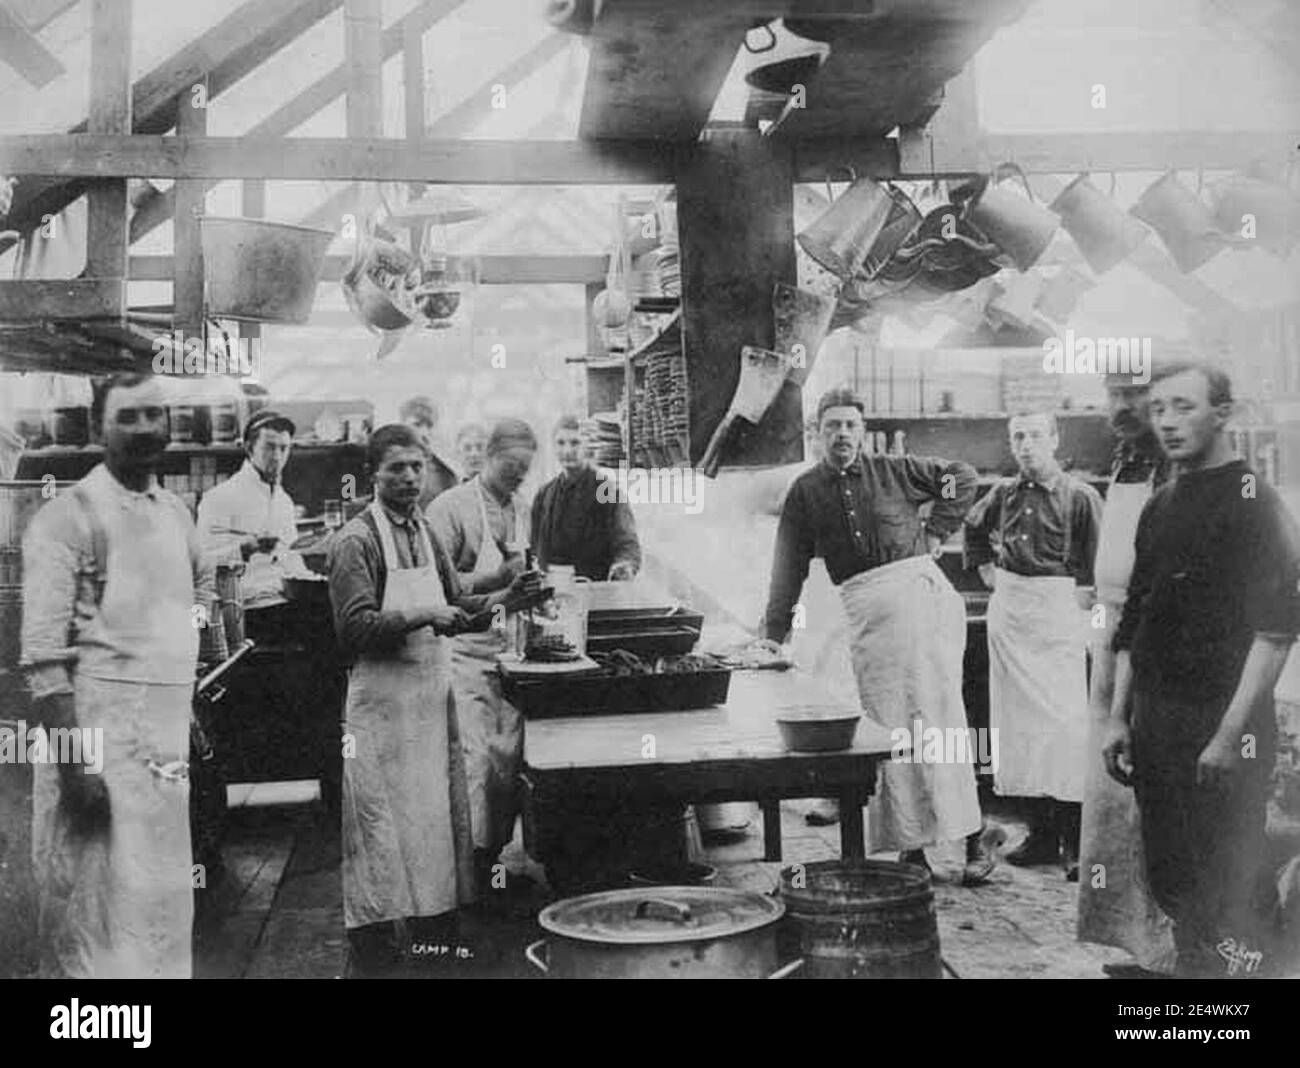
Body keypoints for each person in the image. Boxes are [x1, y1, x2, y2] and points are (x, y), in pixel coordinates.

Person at [1103, 361, 1300, 978]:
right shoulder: (1161, 504)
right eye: (1158, 408)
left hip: (1224, 721)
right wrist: (1118, 718)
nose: (1166, 421)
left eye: (1183, 406)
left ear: (1224, 412)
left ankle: (1236, 992)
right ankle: (1192, 983)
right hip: (1156, 719)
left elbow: (1275, 633)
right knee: (1173, 869)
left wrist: (1225, 737)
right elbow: (1134, 621)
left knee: (1228, 879)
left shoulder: (1256, 502)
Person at [327, 424, 543, 975]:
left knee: (431, 825)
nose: (408, 478)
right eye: (396, 467)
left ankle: (431, 932)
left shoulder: (423, 529)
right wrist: (422, 615)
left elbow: (461, 605)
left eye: (417, 467)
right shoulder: (357, 540)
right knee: (376, 827)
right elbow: (353, 629)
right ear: (373, 472)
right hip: (380, 709)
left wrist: (508, 598)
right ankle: (373, 945)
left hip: (427, 700)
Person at [21, 373, 214, 979]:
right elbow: (44, 662)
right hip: (97, 747)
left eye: (154, 415)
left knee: (160, 906)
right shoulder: (67, 517)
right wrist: (78, 768)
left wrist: (187, 705)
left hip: (164, 748)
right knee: (99, 913)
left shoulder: (176, 512)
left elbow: (193, 602)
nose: (145, 429)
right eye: (128, 417)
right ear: (98, 426)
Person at [763, 387, 996, 885]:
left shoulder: (896, 470)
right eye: (832, 426)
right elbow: (788, 566)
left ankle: (972, 839)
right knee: (891, 732)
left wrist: (937, 531)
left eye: (850, 425)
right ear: (816, 433)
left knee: (941, 720)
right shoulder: (805, 493)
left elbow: (962, 476)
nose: (842, 434)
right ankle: (913, 848)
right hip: (869, 620)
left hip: (921, 607)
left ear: (862, 431)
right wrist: (774, 633)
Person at [964, 411, 1102, 881]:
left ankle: (1077, 844)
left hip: (1058, 617)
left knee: (1066, 731)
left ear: (1055, 440)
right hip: (1013, 615)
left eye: (1036, 436)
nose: (1026, 445)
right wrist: (985, 570)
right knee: (1022, 735)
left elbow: (1099, 567)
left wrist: (1083, 609)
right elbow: (973, 530)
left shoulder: (1081, 496)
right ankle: (1041, 837)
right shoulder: (1002, 494)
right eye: (1018, 436)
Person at [1077, 370, 1176, 976]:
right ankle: (1136, 942)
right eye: (1111, 394)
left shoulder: (1175, 468)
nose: (1118, 406)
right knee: (1116, 802)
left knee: (1153, 797)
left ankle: (1169, 952)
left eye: (1130, 395)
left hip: (1152, 640)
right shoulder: (1128, 459)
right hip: (1111, 637)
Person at [426, 418, 537, 892]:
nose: (517, 477)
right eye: (511, 467)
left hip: (509, 655)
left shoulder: (523, 508)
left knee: (507, 770)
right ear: (488, 457)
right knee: (475, 770)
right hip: (462, 656)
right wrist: (499, 582)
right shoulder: (449, 509)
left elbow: (526, 574)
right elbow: (436, 587)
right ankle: (465, 885)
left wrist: (534, 590)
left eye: (525, 470)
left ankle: (492, 874)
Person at [196, 408, 299, 598]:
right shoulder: (219, 498)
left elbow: (290, 557)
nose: (277, 457)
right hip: (244, 609)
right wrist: (245, 548)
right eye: (269, 447)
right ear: (249, 448)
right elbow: (202, 566)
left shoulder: (284, 501)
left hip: (283, 603)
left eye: (283, 448)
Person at [530, 414, 640, 581]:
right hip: (554, 595)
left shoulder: (607, 491)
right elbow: (534, 548)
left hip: (595, 592)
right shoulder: (544, 495)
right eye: (561, 443)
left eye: (575, 443)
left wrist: (624, 565)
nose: (567, 451)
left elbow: (626, 543)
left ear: (587, 446)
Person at [400, 395, 459, 509]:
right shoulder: (384, 465)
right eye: (416, 425)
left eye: (429, 426)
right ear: (403, 425)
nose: (424, 432)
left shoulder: (445, 473)